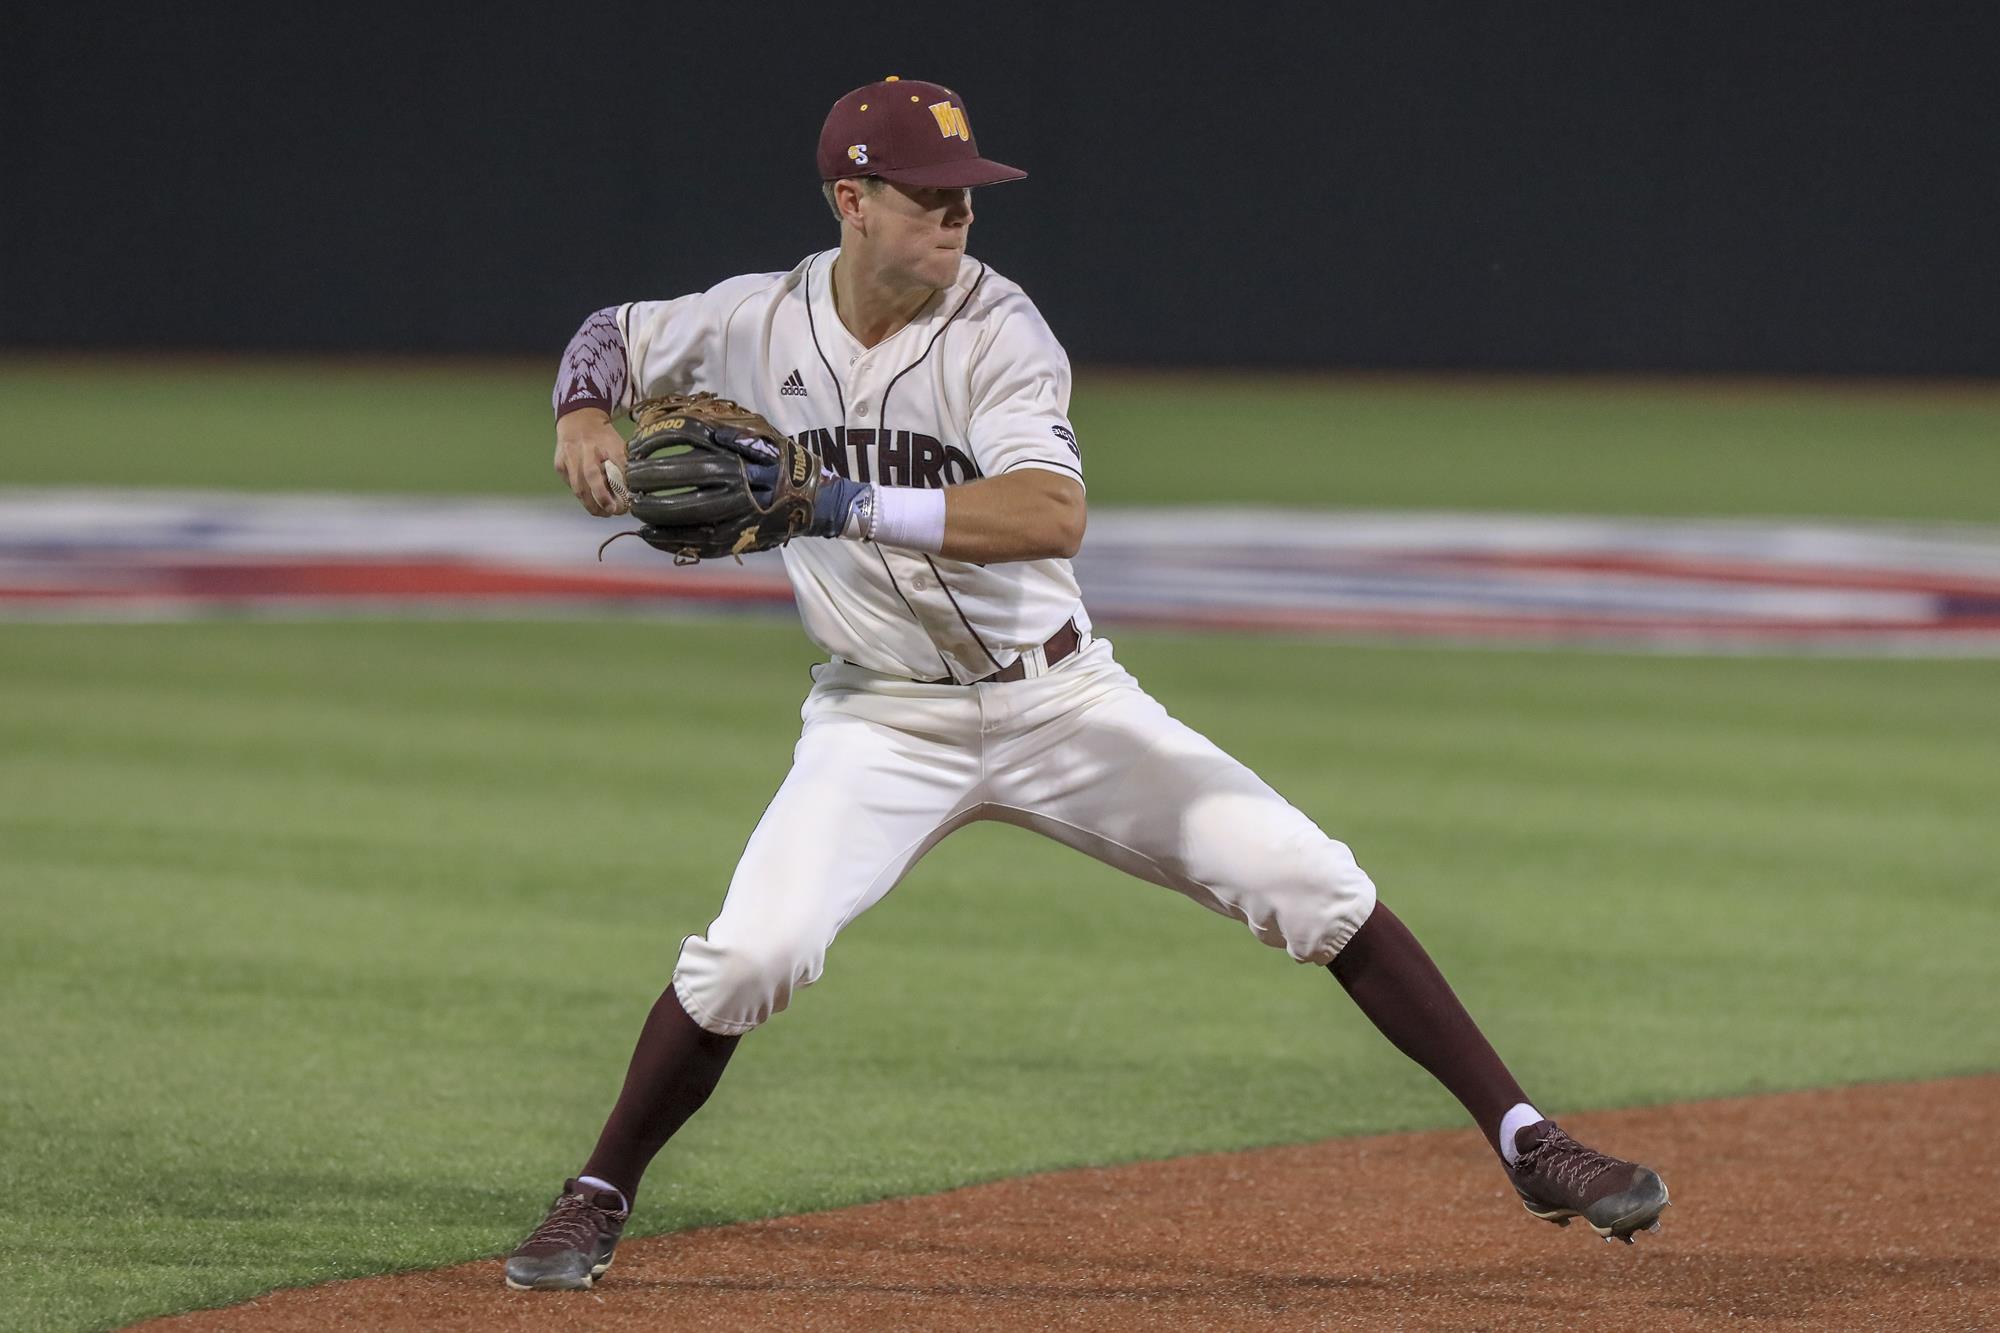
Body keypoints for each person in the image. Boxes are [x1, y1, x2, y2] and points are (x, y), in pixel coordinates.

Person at [506, 76, 1668, 1292]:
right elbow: (613, 333)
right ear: (850, 199)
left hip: (1060, 704)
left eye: (965, 197)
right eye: (928, 196)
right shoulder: (755, 316)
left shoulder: (998, 329)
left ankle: (1527, 1140)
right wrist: (583, 410)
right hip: (882, 716)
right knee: (749, 958)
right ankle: (595, 1195)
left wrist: (837, 498)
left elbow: (1051, 513)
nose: (957, 218)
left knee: (1305, 881)